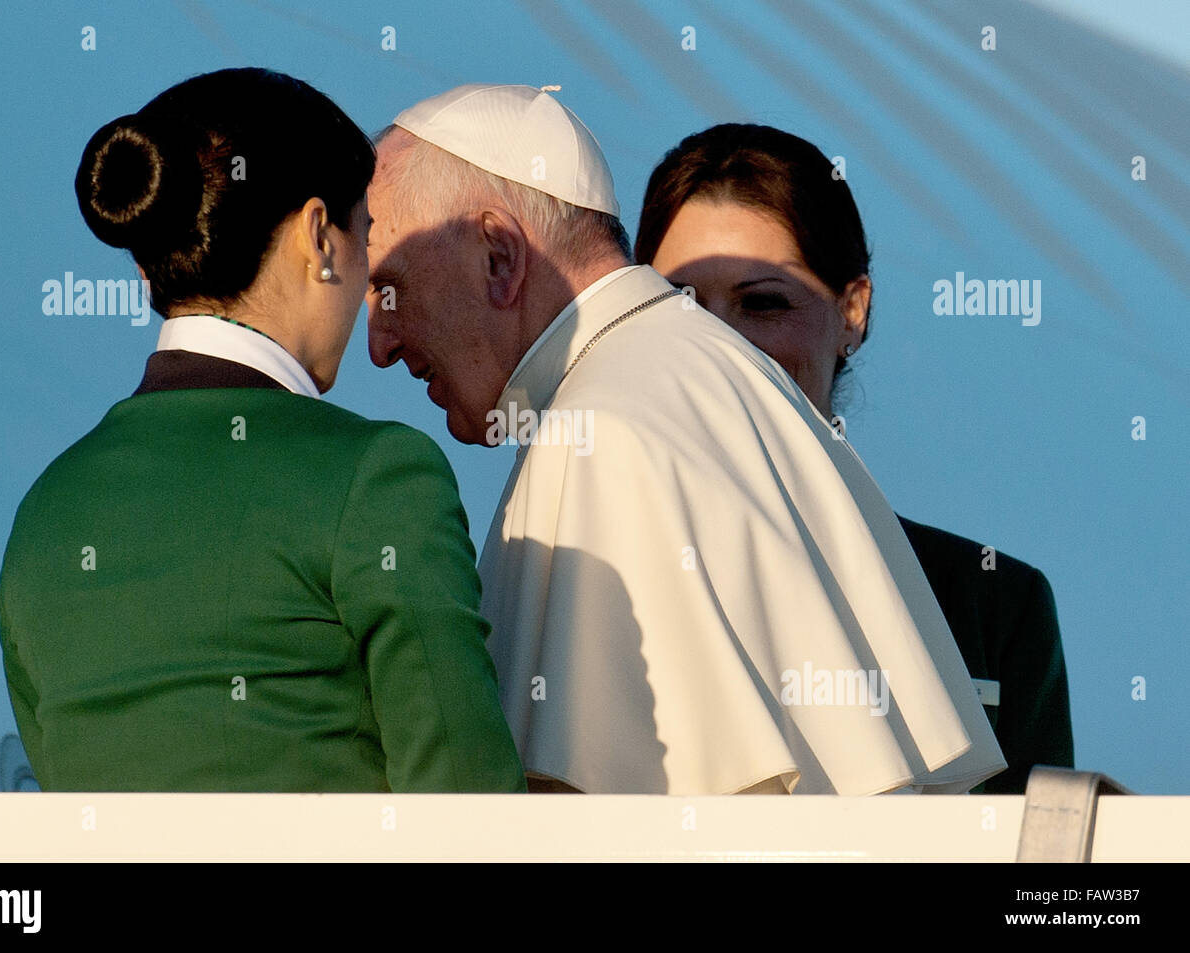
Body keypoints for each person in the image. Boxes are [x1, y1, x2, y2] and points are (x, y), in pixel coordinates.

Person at [365, 83, 1006, 795]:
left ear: (499, 256)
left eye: (389, 289)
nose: (380, 346)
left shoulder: (604, 430)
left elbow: (600, 823)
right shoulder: (690, 374)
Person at [0, 68, 525, 793]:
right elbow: (469, 810)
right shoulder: (377, 474)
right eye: (364, 238)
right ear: (318, 237)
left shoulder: (44, 516)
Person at [635, 122, 1073, 793]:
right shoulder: (576, 580)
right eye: (682, 305)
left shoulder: (995, 608)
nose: (716, 343)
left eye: (762, 303)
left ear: (852, 310)